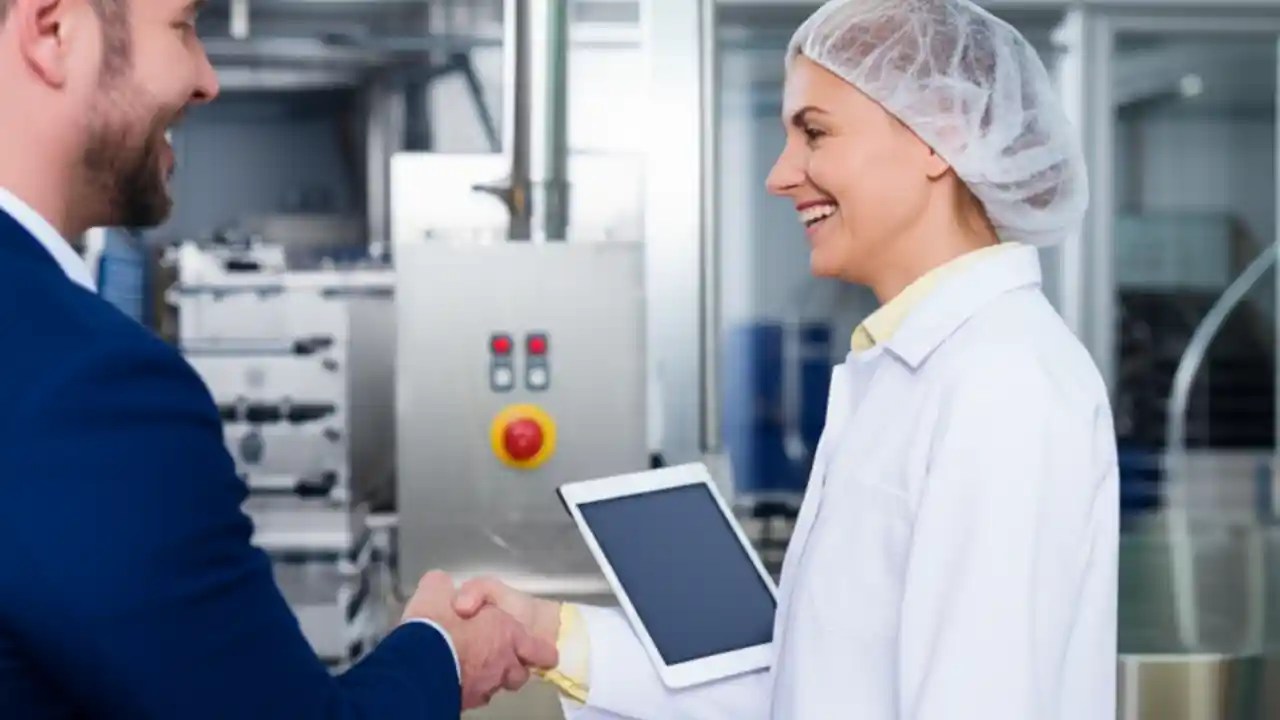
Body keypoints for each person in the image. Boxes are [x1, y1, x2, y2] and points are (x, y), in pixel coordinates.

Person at [454, 0, 1120, 717]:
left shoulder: (1003, 384)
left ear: (941, 135)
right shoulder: (914, 368)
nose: (780, 174)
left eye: (815, 132)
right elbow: (813, 684)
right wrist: (549, 634)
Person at [0, 0, 555, 716]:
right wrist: (442, 650)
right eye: (182, 26)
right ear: (53, 31)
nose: (207, 78)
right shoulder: (88, 387)